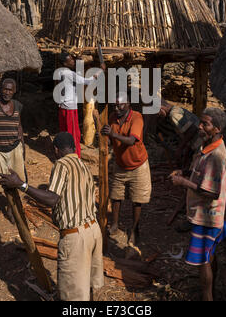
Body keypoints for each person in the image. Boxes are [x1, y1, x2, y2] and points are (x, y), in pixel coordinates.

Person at [0, 132, 104, 301]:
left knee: (72, 295)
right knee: (88, 286)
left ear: (56, 149)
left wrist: (21, 185)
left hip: (76, 238)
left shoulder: (61, 164)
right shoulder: (82, 165)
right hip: (94, 231)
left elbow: (52, 199)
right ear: (74, 147)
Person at [170, 107, 226, 301]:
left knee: (203, 261)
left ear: (217, 128)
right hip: (207, 215)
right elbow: (202, 176)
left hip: (207, 217)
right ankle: (211, 292)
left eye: (206, 124)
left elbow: (212, 192)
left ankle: (207, 297)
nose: (200, 126)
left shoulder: (216, 156)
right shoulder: (207, 147)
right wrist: (185, 173)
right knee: (210, 255)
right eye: (201, 122)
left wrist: (183, 182)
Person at [101, 92, 151, 245]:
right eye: (115, 105)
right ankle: (115, 224)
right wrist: (105, 139)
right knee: (116, 196)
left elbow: (131, 140)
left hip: (138, 165)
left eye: (120, 105)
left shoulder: (136, 118)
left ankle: (135, 229)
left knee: (137, 199)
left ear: (128, 103)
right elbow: (110, 139)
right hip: (120, 164)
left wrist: (113, 134)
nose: (117, 108)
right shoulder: (112, 118)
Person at [0, 78, 26, 232]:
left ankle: (10, 210)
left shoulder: (18, 106)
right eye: (5, 89)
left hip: (15, 149)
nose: (7, 92)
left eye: (10, 90)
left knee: (15, 182)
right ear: (0, 89)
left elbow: (19, 126)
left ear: (14, 91)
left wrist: (23, 146)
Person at [56, 52, 106, 158]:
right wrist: (100, 71)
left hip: (63, 107)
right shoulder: (69, 74)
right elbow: (87, 81)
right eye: (70, 60)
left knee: (65, 133)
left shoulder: (61, 72)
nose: (73, 61)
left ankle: (64, 156)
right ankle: (75, 158)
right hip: (69, 107)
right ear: (65, 63)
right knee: (74, 135)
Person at [157, 99, 203, 169]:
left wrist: (180, 148)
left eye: (158, 113)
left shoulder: (173, 115)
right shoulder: (176, 109)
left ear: (161, 108)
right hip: (197, 142)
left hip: (199, 143)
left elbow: (192, 129)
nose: (158, 115)